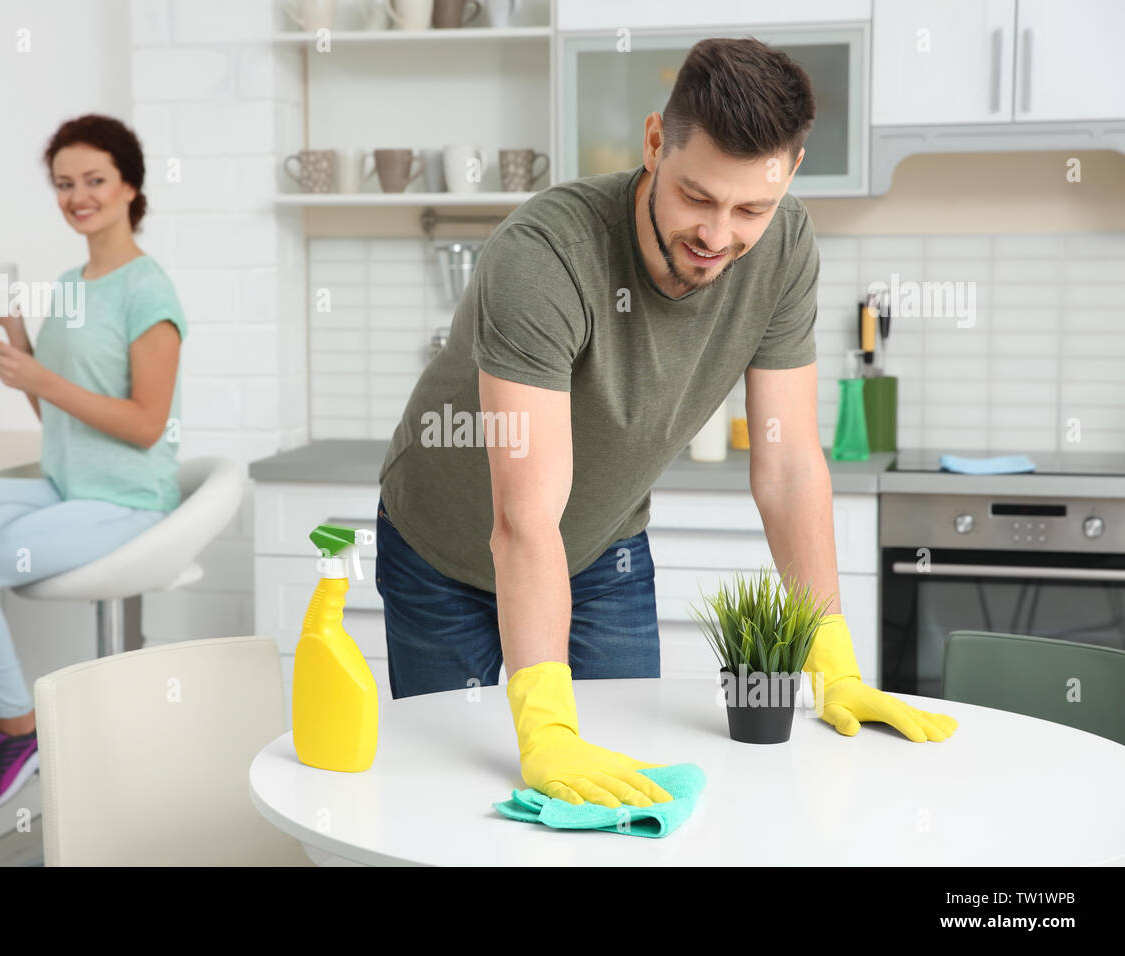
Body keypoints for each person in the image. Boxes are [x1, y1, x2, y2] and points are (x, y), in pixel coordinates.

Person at [375, 38, 957, 809]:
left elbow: (786, 465)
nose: (719, 236)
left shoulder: (783, 250)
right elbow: (524, 520)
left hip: (604, 549)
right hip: (443, 553)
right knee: (464, 802)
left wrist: (832, 657)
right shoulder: (546, 256)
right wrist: (546, 726)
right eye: (698, 197)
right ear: (655, 143)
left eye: (751, 206)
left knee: (634, 787)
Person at [0, 114, 188, 817]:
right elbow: (61, 416)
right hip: (67, 486)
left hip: (128, 499)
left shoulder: (149, 290)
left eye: (94, 180)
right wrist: (14, 344)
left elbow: (146, 425)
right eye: (64, 184)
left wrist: (40, 376)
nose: (77, 196)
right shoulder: (67, 285)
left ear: (129, 186)